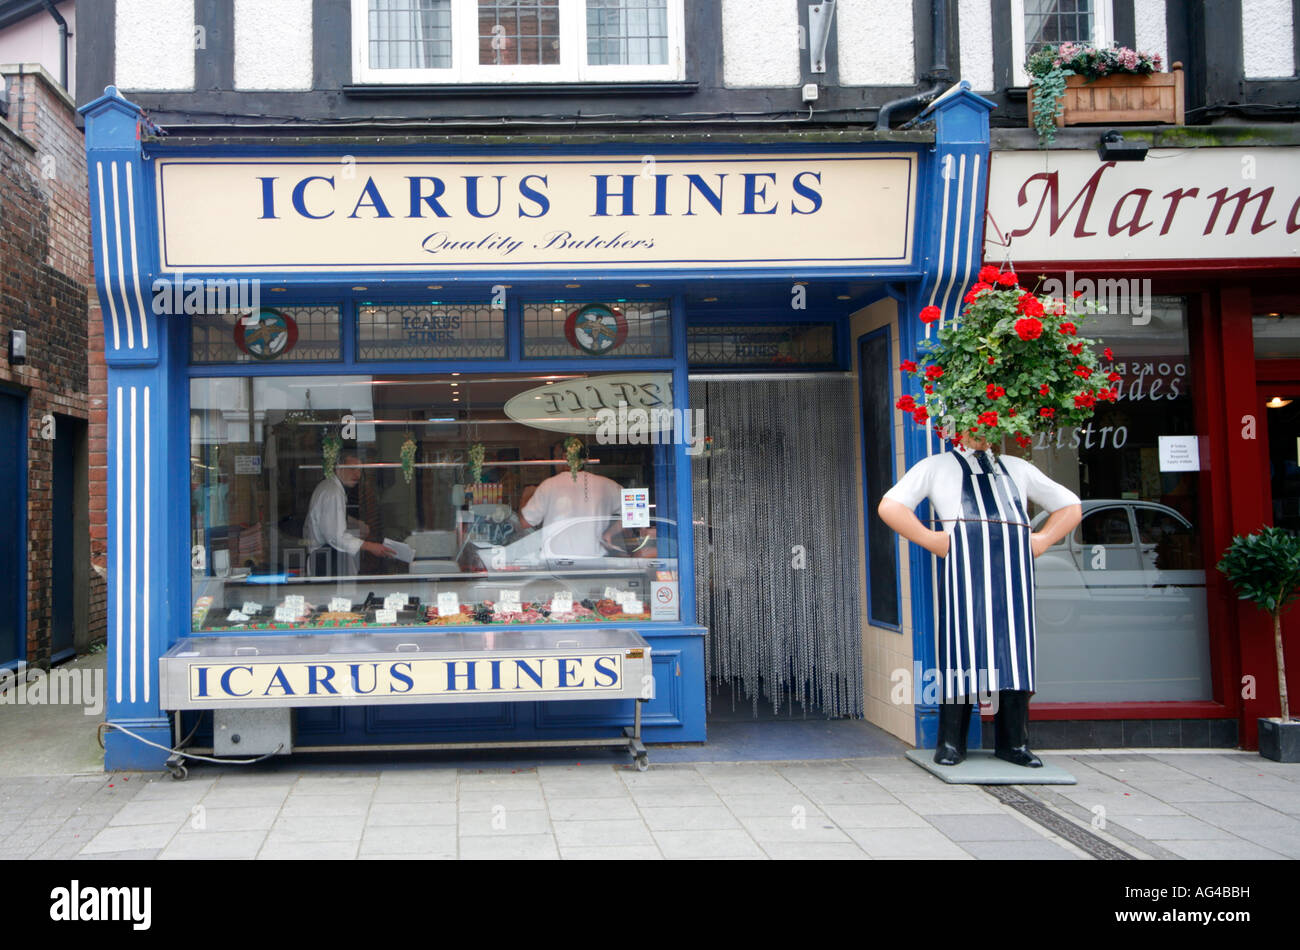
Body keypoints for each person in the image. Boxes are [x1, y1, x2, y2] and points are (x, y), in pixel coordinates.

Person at [877, 437, 1081, 768]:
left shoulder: (1017, 467)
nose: (982, 427)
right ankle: (951, 741)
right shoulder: (936, 466)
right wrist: (931, 539)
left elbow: (1070, 505)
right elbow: (890, 505)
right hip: (964, 569)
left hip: (1015, 573)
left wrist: (1042, 540)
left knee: (1016, 654)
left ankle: (1014, 742)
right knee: (961, 647)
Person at [518, 448, 623, 559]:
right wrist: (610, 533)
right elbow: (636, 511)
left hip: (556, 562)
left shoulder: (549, 485)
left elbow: (524, 523)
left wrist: (525, 496)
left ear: (565, 457)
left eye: (554, 457)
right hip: (594, 560)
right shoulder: (606, 485)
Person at [304, 452, 396, 575]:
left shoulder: (327, 486)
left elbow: (329, 516)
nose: (357, 475)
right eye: (352, 469)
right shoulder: (333, 493)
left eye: (359, 470)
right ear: (338, 467)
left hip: (326, 557)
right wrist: (370, 546)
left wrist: (355, 523)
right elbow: (335, 537)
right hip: (326, 560)